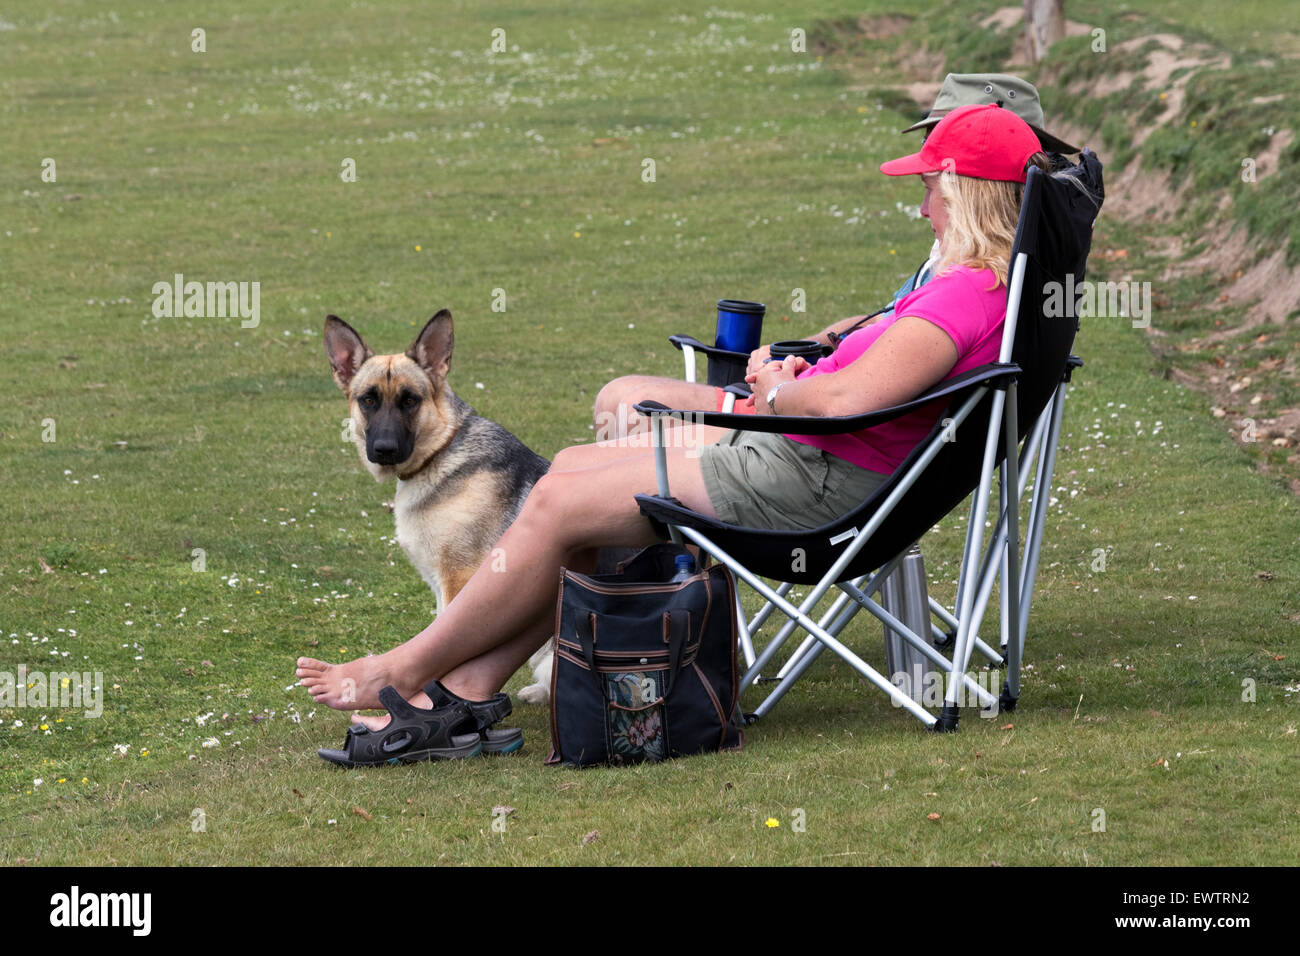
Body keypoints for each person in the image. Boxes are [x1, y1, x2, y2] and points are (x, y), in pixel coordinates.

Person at [297, 104, 1051, 761]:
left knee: (558, 506)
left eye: (929, 189)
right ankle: (465, 693)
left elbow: (840, 403)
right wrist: (794, 374)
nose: (922, 209)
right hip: (811, 458)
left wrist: (781, 387)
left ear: (965, 193)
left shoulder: (960, 300)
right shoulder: (974, 290)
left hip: (816, 480)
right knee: (570, 473)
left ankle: (409, 671)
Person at [592, 73, 1080, 439]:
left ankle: (681, 571)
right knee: (617, 410)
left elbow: (862, 390)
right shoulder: (986, 264)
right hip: (819, 411)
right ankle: (675, 569)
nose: (932, 149)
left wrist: (783, 389)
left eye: (948, 136)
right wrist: (795, 355)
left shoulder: (973, 285)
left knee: (623, 417)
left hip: (822, 436)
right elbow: (885, 325)